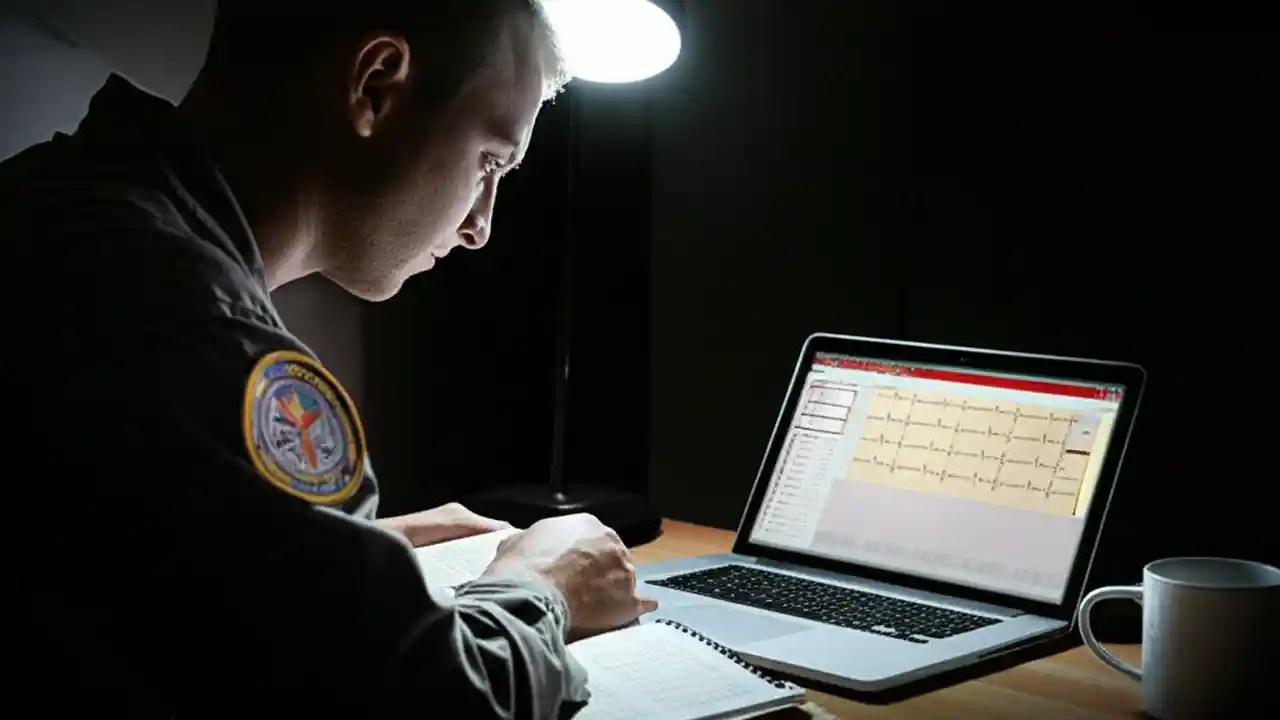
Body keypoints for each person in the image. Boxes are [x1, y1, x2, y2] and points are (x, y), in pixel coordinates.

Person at [7, 0, 657, 713]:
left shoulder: (56, 210)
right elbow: (430, 699)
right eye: (489, 162)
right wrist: (543, 587)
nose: (481, 227)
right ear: (376, 86)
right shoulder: (193, 325)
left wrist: (320, 547)